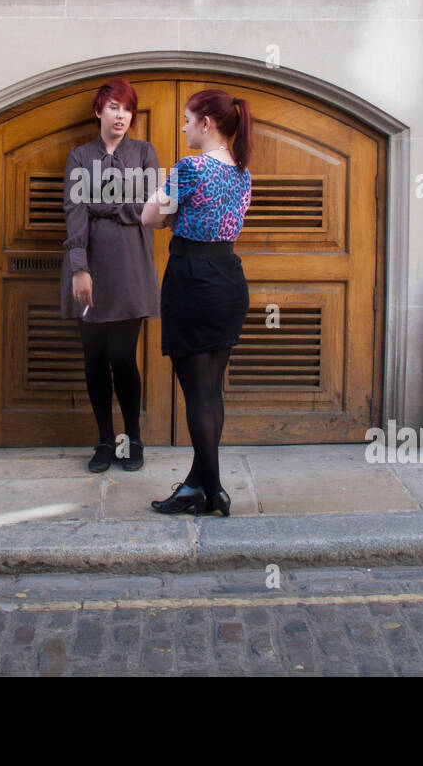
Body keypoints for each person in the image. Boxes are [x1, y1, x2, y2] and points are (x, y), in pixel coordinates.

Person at [142, 90, 253, 516]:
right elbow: (217, 219)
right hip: (227, 278)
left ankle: (214, 487)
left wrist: (166, 203)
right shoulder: (244, 173)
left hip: (192, 279)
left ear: (206, 123)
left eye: (188, 120)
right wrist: (178, 213)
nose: (184, 127)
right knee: (211, 390)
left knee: (198, 393)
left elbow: (149, 216)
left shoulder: (190, 168)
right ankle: (197, 486)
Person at [61, 79, 162, 473]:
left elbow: (148, 208)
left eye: (126, 109)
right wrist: (79, 269)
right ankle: (104, 441)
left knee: (123, 357)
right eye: (113, 107)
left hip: (132, 268)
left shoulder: (145, 153)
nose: (121, 116)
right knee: (94, 359)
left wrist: (102, 206)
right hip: (91, 269)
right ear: (98, 111)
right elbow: (74, 211)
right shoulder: (79, 156)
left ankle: (132, 439)